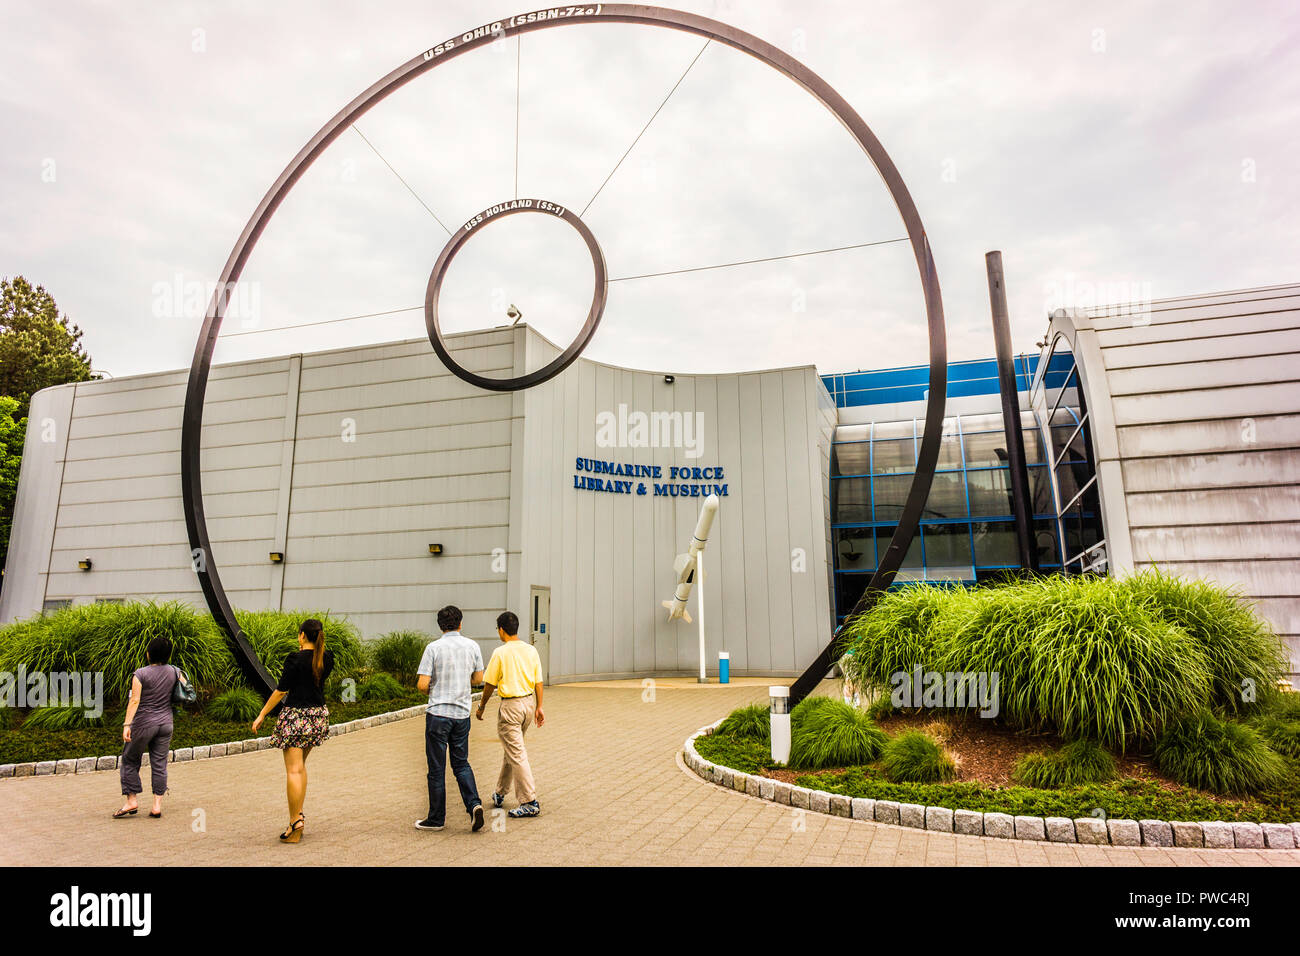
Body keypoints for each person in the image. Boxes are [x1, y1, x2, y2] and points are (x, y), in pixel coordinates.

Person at [252, 618, 334, 844]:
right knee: (300, 768)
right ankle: (296, 818)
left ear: (302, 636)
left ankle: (296, 821)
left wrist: (261, 715)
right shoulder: (326, 658)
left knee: (294, 771)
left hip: (296, 717)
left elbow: (281, 691)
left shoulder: (295, 659)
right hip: (317, 717)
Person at [415, 605, 486, 832]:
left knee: (436, 769)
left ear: (440, 625)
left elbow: (422, 685)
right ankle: (474, 804)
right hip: (462, 715)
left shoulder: (433, 648)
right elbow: (478, 678)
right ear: (460, 623)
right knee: (461, 763)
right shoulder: (472, 646)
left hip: (438, 715)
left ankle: (436, 819)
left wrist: (435, 688)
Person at [476, 610, 545, 818]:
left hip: (511, 708)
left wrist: (481, 706)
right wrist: (539, 707)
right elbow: (538, 681)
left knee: (517, 753)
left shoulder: (500, 652)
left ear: (501, 630)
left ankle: (529, 801)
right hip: (528, 705)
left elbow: (490, 684)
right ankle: (500, 792)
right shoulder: (531, 650)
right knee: (512, 750)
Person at [114, 637, 181, 819]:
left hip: (144, 723)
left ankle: (131, 801)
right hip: (166, 723)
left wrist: (127, 724)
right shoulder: (175, 671)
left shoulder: (140, 674)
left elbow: (134, 700)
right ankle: (156, 806)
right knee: (160, 764)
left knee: (130, 760)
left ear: (149, 653)